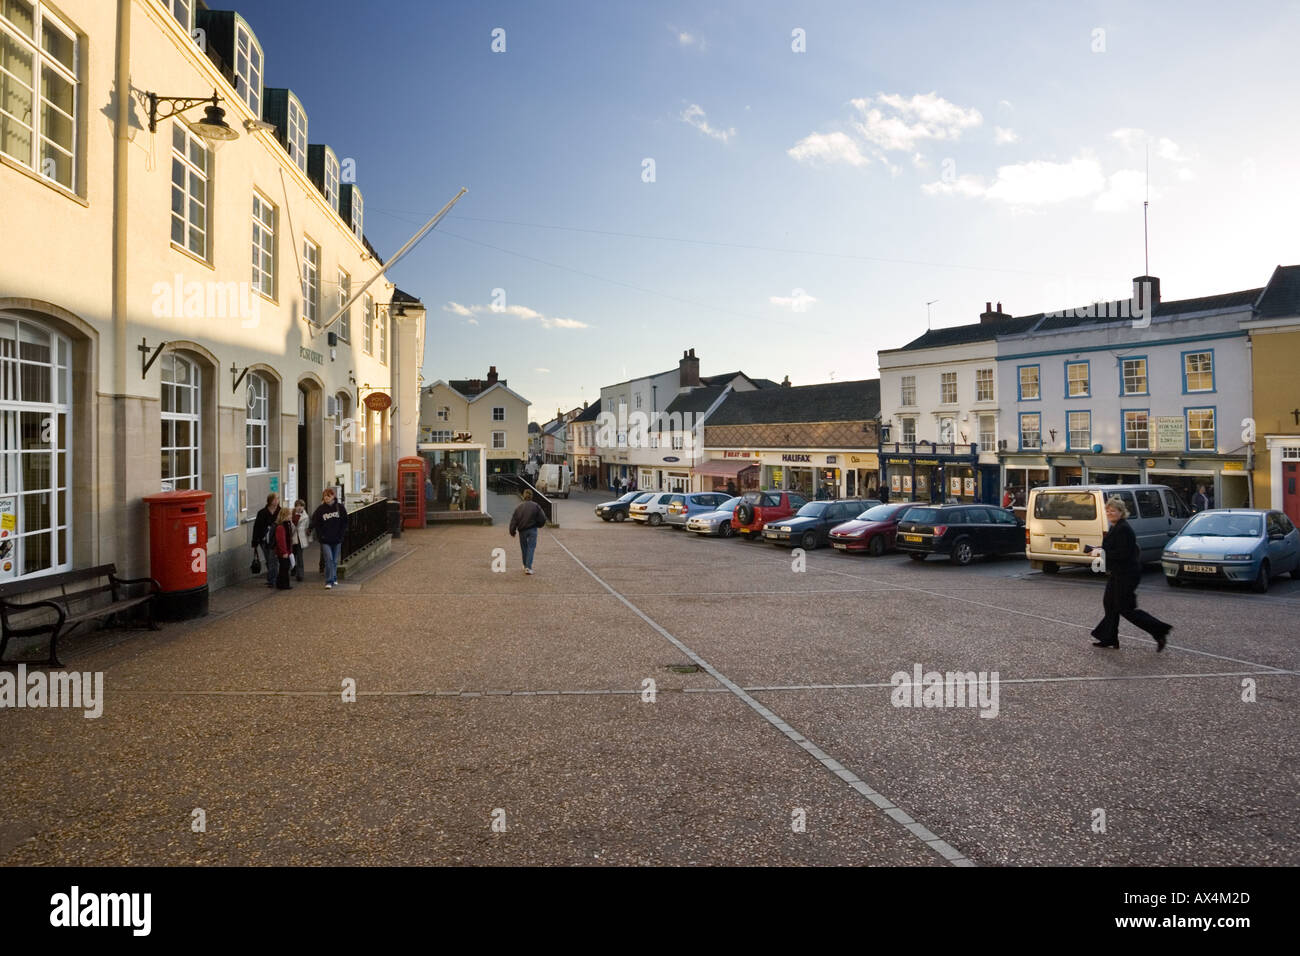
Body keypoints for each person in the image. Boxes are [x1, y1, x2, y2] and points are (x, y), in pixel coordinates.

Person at [1085, 496, 1171, 651]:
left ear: (1121, 512)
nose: (1110, 513)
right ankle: (1109, 637)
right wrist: (1096, 549)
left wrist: (1100, 552)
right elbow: (1114, 549)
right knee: (1110, 604)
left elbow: (1122, 553)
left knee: (1125, 608)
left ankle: (1159, 630)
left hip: (1127, 574)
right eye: (1108, 510)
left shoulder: (1123, 528)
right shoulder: (1116, 526)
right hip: (1118, 573)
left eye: (1114, 510)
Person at [310, 487, 349, 590]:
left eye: (329, 495)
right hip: (325, 539)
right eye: (325, 496)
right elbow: (315, 522)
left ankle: (334, 577)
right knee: (329, 559)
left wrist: (341, 535)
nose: (326, 498)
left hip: (337, 538)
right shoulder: (320, 509)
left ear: (333, 496)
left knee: (335, 560)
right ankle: (329, 581)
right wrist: (319, 535)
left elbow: (345, 522)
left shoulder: (340, 507)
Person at [509, 489, 548, 575]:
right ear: (531, 496)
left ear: (524, 496)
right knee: (531, 547)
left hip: (522, 530)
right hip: (532, 529)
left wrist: (512, 531)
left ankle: (524, 564)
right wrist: (539, 525)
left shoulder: (519, 507)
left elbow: (514, 520)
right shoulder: (536, 506)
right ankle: (528, 567)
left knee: (524, 548)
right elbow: (543, 518)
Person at [251, 492, 280, 588]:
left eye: (278, 499)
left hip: (276, 540)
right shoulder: (262, 513)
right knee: (268, 559)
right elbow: (257, 527)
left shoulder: (280, 511)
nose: (277, 501)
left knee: (273, 560)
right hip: (264, 540)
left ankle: (273, 579)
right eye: (275, 499)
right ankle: (272, 577)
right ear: (270, 501)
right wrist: (254, 541)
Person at [273, 506, 295, 590]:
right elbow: (281, 541)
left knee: (285, 567)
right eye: (289, 515)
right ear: (285, 515)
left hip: (286, 551)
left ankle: (283, 583)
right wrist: (284, 552)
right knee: (284, 568)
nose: (291, 516)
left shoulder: (287, 525)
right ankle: (282, 584)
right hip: (283, 552)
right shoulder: (281, 527)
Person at [290, 499, 310, 583]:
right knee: (291, 556)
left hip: (300, 539)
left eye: (301, 506)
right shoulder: (291, 514)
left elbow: (307, 528)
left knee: (300, 557)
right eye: (297, 506)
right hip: (292, 538)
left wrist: (309, 538)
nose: (299, 508)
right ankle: (293, 569)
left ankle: (300, 574)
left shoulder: (306, 516)